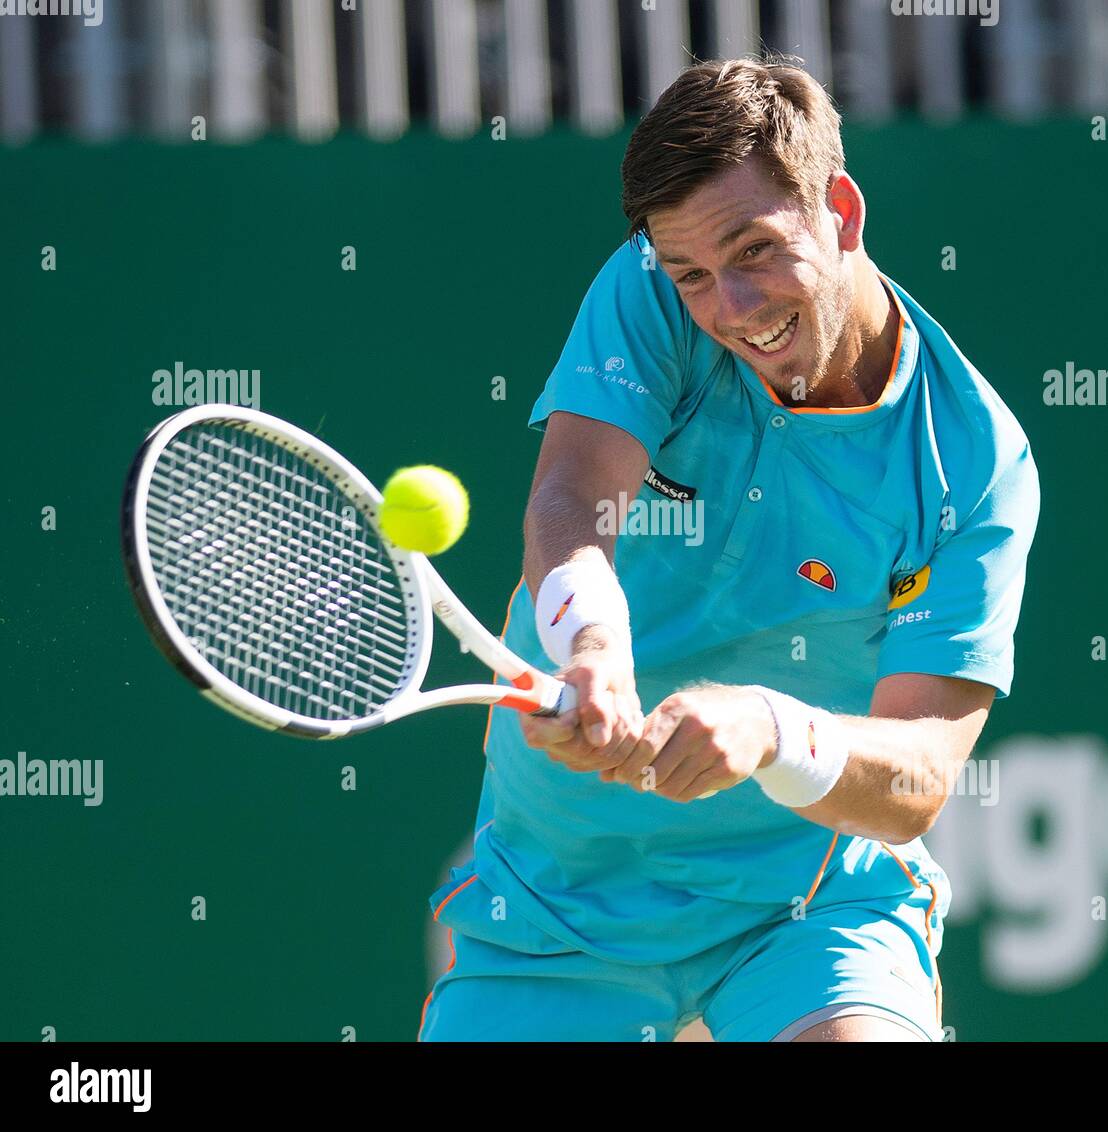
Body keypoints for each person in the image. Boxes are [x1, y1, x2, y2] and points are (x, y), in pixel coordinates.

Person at [419, 55, 1039, 1043]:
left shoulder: (970, 459)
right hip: (554, 899)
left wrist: (765, 726)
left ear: (841, 210)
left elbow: (918, 776)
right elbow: (573, 496)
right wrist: (588, 646)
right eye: (695, 275)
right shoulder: (647, 294)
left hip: (806, 907)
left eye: (754, 252)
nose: (732, 309)